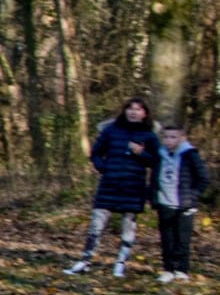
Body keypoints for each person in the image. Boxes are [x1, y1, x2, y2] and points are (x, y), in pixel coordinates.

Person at [69, 97, 161, 277]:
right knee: (96, 224)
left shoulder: (150, 136)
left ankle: (120, 264)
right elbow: (96, 153)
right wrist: (104, 168)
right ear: (125, 111)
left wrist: (141, 153)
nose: (133, 112)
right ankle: (85, 260)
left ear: (145, 113)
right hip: (109, 184)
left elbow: (157, 161)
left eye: (138, 109)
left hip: (133, 186)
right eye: (130, 108)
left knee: (128, 225)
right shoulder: (111, 130)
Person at [155, 121, 205, 284]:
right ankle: (168, 269)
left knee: (182, 239)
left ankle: (182, 269)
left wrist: (192, 197)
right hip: (165, 202)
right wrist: (154, 196)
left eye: (173, 137)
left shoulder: (190, 155)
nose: (169, 140)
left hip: (184, 204)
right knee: (167, 239)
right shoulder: (160, 155)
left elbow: (203, 178)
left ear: (182, 138)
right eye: (166, 137)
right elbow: (154, 177)